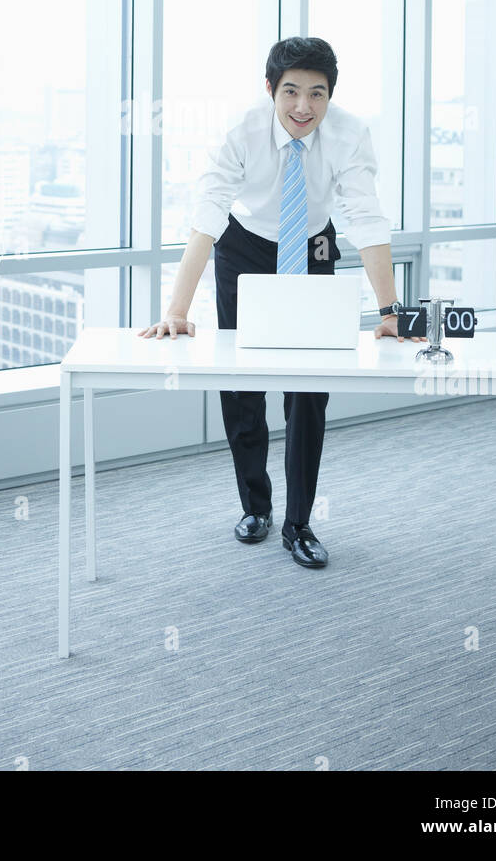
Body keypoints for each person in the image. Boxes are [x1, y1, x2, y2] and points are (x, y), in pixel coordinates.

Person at [138, 35, 417, 569]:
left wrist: (389, 313)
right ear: (270, 89)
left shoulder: (350, 135)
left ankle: (299, 524)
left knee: (308, 390)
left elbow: (367, 219)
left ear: (331, 96)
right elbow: (207, 218)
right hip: (244, 246)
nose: (302, 107)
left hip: (312, 244)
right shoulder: (243, 132)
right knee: (241, 383)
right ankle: (255, 507)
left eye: (317, 93)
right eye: (290, 92)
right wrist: (175, 311)